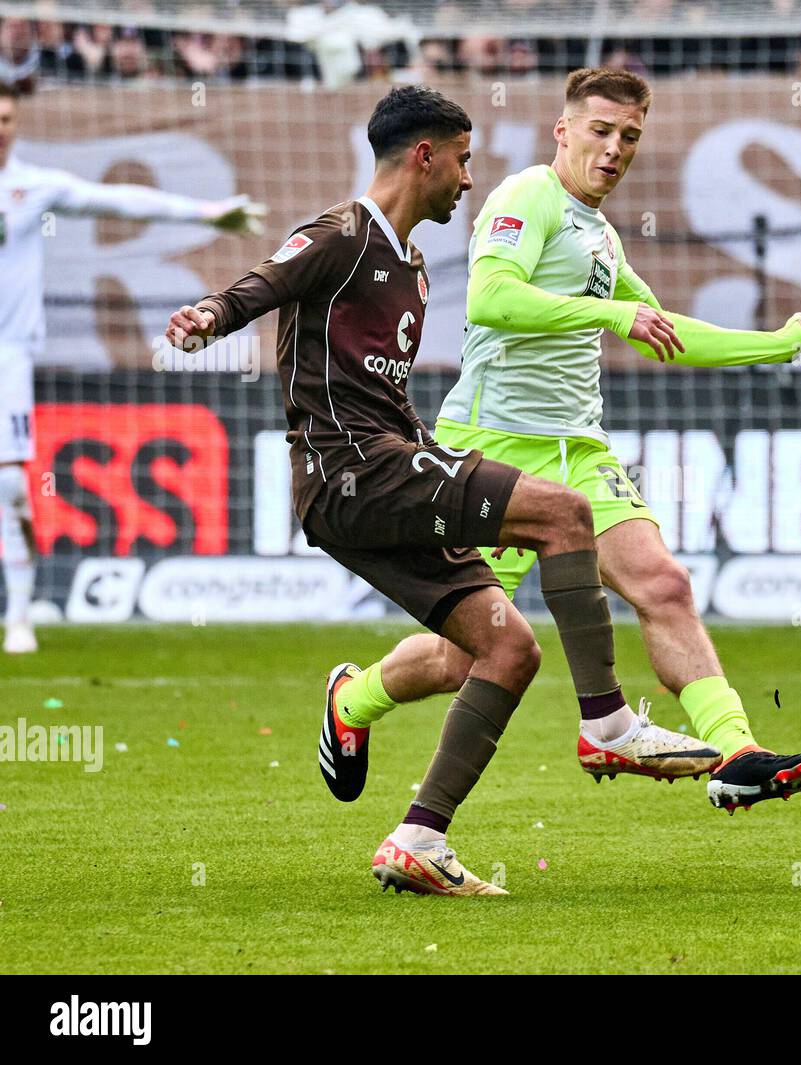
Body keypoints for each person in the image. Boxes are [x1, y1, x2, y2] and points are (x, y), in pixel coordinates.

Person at [165, 85, 719, 897]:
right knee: (566, 510)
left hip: (390, 469)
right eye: (461, 161)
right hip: (349, 472)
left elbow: (388, 400)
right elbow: (265, 282)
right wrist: (211, 314)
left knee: (506, 649)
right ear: (423, 154)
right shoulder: (343, 234)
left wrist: (439, 459)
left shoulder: (413, 273)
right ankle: (607, 722)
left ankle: (419, 837)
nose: (468, 182)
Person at [432, 67, 801, 814]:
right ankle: (353, 700)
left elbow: (667, 333)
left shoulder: (602, 235)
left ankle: (737, 752)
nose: (616, 149)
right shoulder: (526, 195)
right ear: (564, 131)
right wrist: (610, 317)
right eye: (602, 132)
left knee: (665, 585)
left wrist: (775, 344)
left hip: (578, 454)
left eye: (631, 138)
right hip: (492, 447)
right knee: (463, 655)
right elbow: (490, 297)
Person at [0, 82, 265, 654]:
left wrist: (208, 214)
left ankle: (18, 614)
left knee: (9, 487)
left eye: (6, 117)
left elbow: (118, 200)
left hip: (8, 354)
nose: (1, 126)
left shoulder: (31, 186)